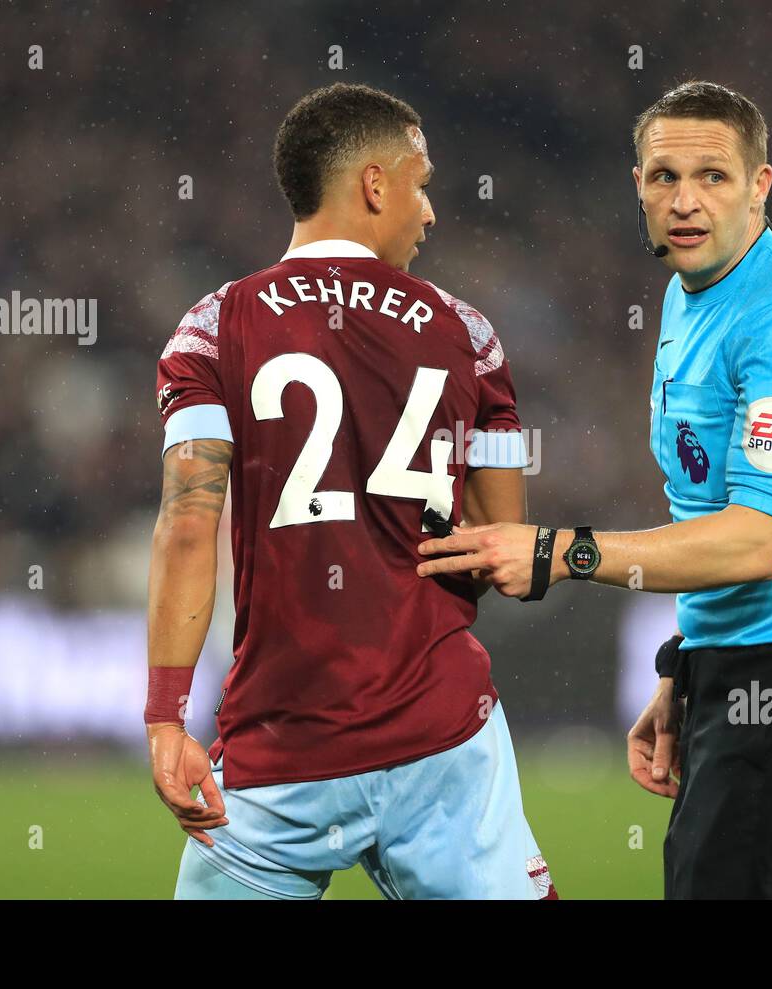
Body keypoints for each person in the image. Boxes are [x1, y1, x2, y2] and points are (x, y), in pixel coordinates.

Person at [415, 81, 772, 899]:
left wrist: (563, 551)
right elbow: (703, 510)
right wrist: (685, 667)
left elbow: (756, 540)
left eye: (712, 176)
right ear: (636, 185)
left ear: (761, 185)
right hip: (741, 671)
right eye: (663, 176)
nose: (685, 200)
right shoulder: (693, 290)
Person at [145, 82, 555, 900]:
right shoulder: (466, 332)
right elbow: (500, 546)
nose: (431, 210)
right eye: (422, 180)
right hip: (438, 737)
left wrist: (165, 715)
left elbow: (190, 522)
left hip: (279, 744)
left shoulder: (214, 325)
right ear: (375, 184)